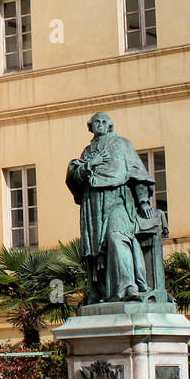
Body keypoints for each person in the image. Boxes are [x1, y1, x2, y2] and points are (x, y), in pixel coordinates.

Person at [66, 112, 157, 303]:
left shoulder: (122, 144)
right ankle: (100, 290)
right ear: (90, 126)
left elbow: (137, 173)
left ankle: (128, 286)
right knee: (95, 250)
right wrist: (90, 164)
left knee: (117, 238)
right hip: (92, 203)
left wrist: (142, 201)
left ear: (110, 126)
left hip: (117, 199)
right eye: (96, 122)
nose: (100, 125)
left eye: (103, 122)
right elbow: (74, 179)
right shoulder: (87, 152)